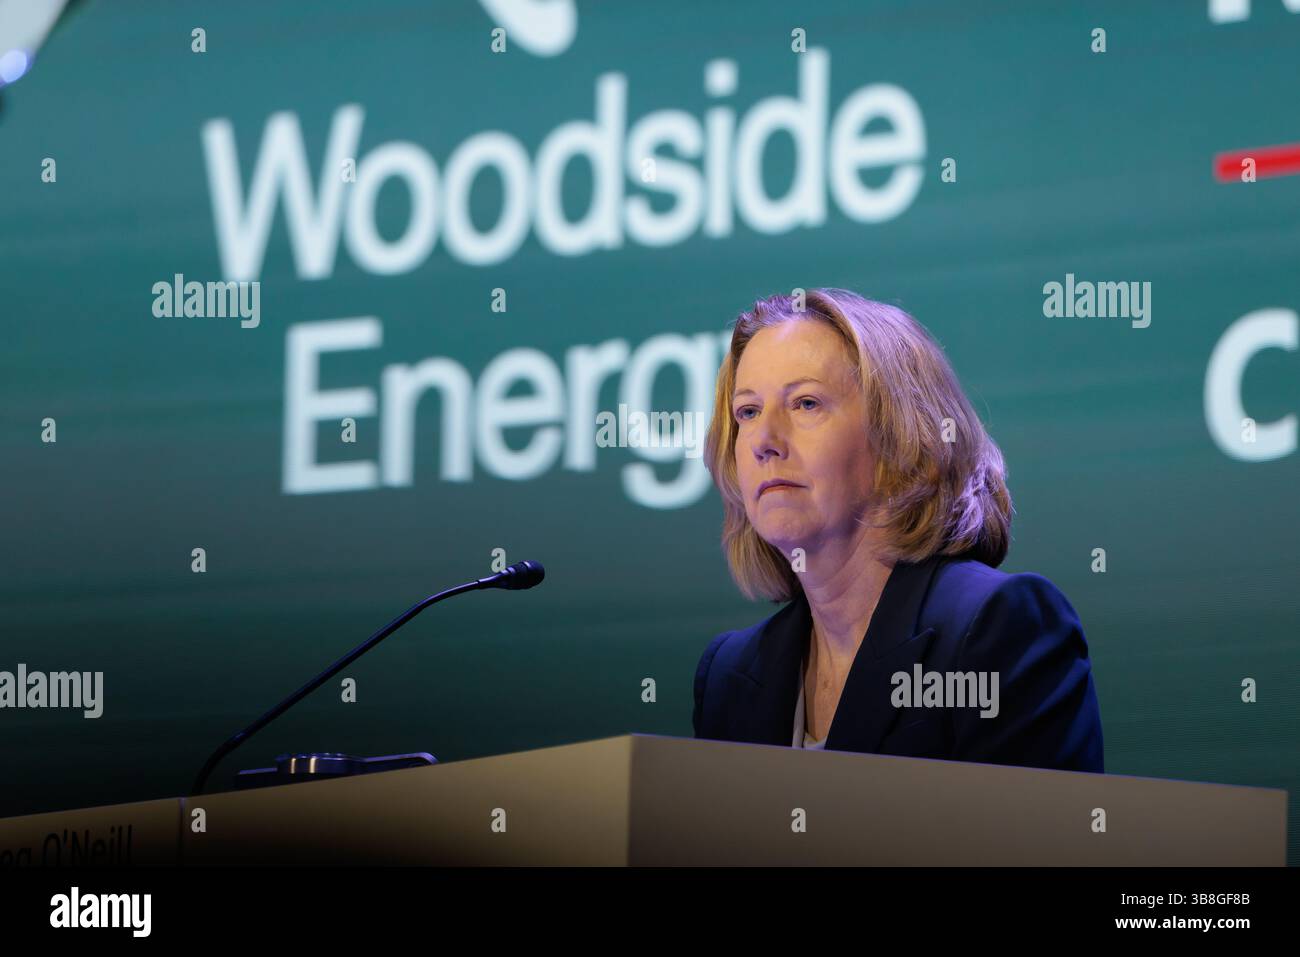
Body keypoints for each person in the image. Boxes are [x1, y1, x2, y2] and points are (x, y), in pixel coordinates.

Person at [693, 288, 1103, 772]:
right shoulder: (728, 675)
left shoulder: (998, 629)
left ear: (902, 439)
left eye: (805, 403)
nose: (763, 441)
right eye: (748, 412)